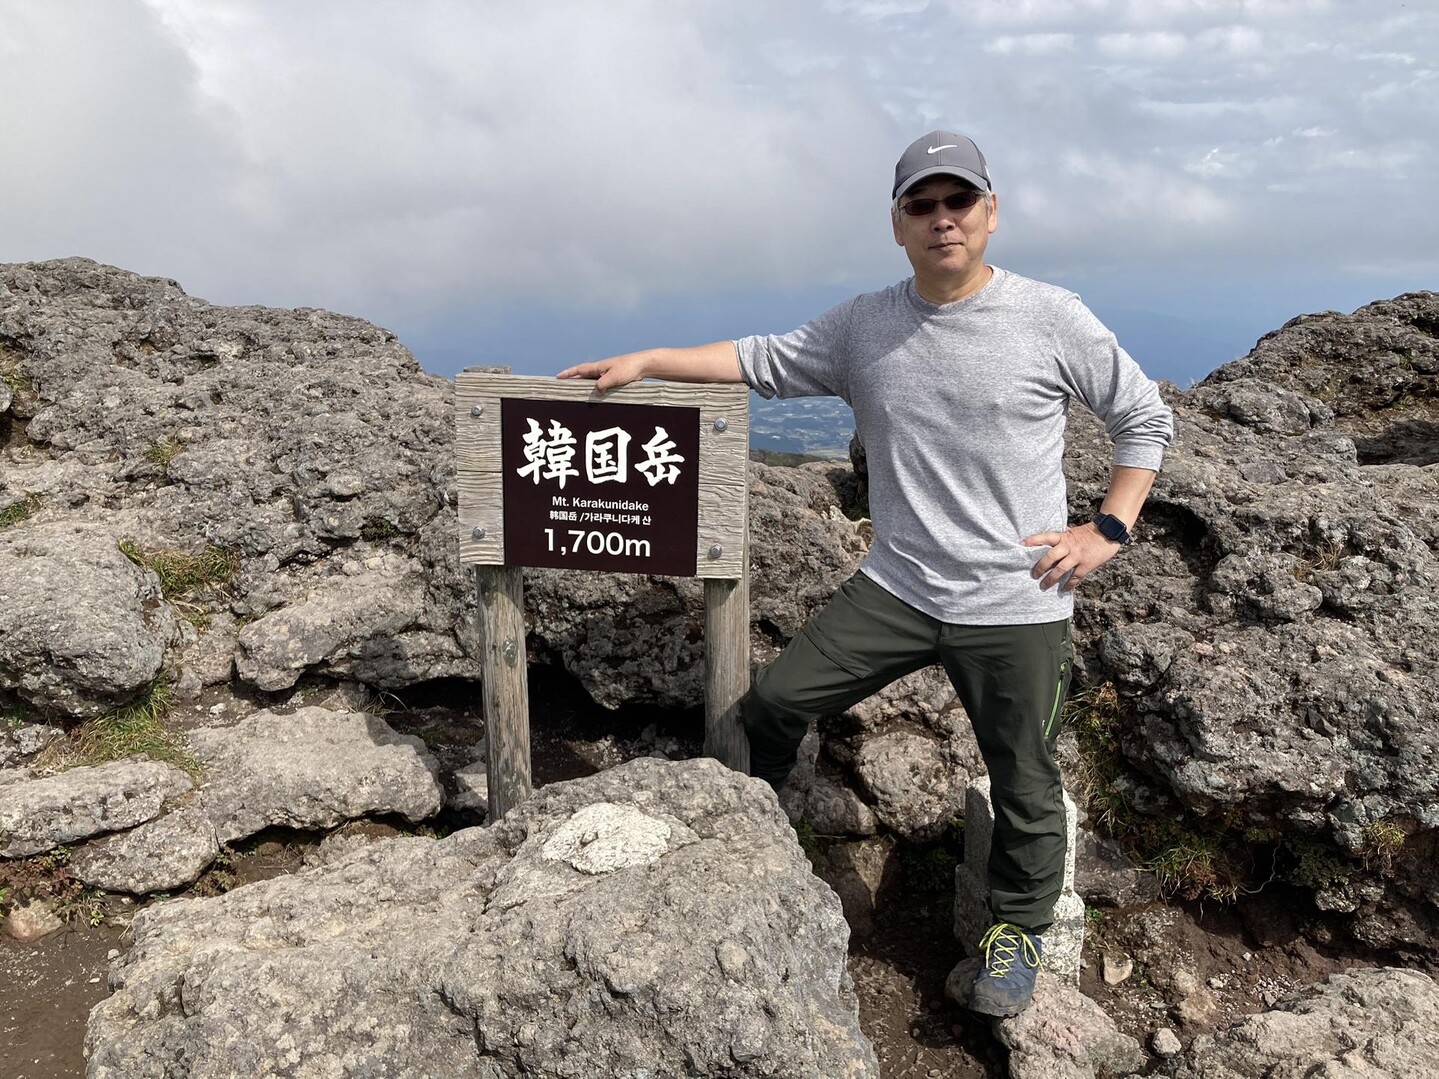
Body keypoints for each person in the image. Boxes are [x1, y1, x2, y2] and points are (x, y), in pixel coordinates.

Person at [558, 131, 1173, 1017]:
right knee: (772, 704)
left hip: (1016, 597)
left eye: (957, 201)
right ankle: (760, 830)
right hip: (896, 586)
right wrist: (651, 361)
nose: (942, 220)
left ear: (990, 213)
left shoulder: (1050, 316)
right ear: (897, 225)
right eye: (921, 205)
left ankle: (1017, 932)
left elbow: (1142, 419)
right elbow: (759, 360)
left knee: (1024, 775)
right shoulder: (863, 324)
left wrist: (1107, 526)